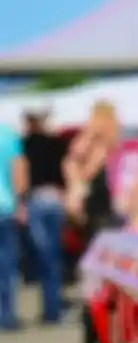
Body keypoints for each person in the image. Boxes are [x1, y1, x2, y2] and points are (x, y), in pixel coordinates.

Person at [21, 108, 70, 324]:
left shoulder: (25, 144)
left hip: (36, 199)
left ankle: (51, 308)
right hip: (55, 197)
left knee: (42, 256)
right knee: (54, 256)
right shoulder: (56, 143)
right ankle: (54, 309)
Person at [63, 100, 122, 240]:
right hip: (101, 205)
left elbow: (78, 158)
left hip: (95, 206)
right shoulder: (108, 142)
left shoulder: (100, 145)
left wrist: (76, 182)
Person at [0, 122, 30, 332]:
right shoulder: (9, 135)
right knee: (7, 266)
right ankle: (7, 315)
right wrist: (21, 203)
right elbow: (19, 172)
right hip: (6, 208)